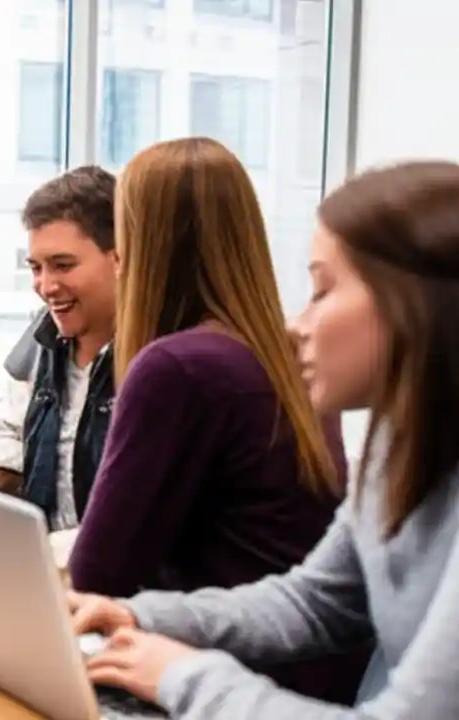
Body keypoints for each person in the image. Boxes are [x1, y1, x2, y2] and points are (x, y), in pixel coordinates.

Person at [71, 160, 459, 719]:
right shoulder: (400, 442)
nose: (296, 324)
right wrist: (143, 619)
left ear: (414, 305)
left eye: (322, 289)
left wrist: (182, 675)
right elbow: (315, 602)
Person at [66, 138, 360, 702]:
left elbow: (96, 573)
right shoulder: (283, 352)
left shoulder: (178, 366)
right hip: (311, 677)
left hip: (227, 676)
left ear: (139, 248)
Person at [0, 166, 118, 531]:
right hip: (42, 560)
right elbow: (8, 426)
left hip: (105, 578)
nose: (45, 286)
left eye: (62, 265)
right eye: (36, 268)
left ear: (120, 259)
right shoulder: (44, 336)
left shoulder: (156, 359)